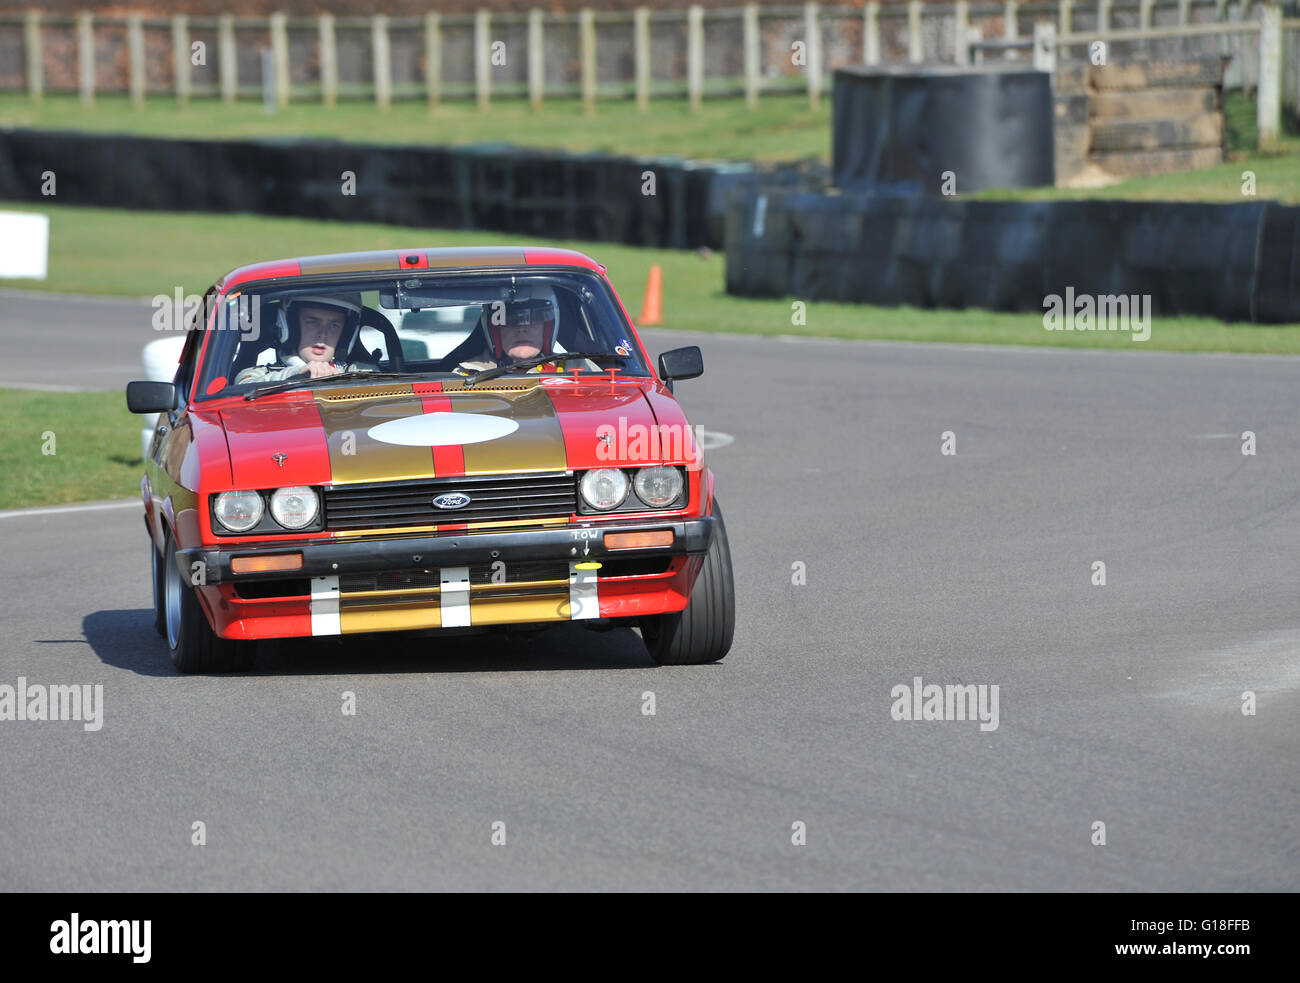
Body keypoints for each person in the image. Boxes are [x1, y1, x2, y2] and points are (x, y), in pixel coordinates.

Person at [235, 293, 376, 385]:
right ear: (290, 326)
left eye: (334, 325)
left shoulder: (366, 374)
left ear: (346, 334)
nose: (323, 334)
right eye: (312, 322)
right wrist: (298, 374)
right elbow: (244, 385)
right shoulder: (257, 375)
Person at [455, 284, 583, 376]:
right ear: (495, 331)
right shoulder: (466, 375)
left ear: (548, 328)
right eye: (510, 321)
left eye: (535, 319)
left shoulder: (580, 370)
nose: (522, 329)